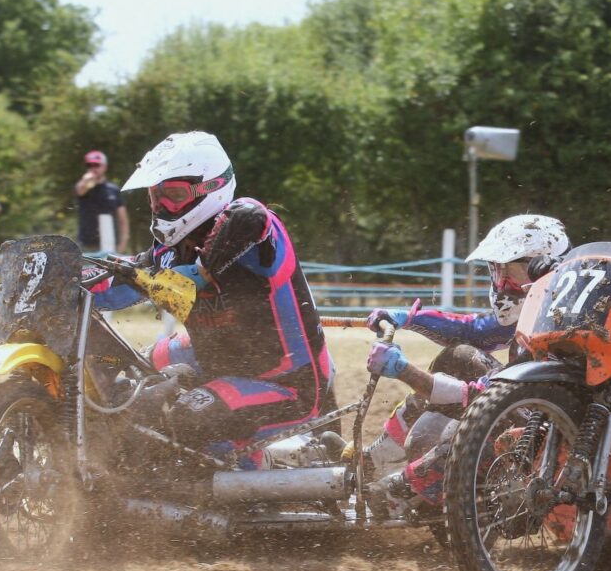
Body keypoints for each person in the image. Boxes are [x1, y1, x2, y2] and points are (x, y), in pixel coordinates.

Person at [87, 132, 335, 454]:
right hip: (218, 364)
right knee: (134, 370)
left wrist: (200, 269)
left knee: (185, 418)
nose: (162, 206)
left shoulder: (252, 227)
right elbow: (118, 282)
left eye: (174, 195)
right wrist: (66, 283)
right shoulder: (167, 251)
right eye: (155, 196)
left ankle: (253, 470)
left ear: (213, 187)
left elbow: (250, 217)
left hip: (287, 383)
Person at [361, 214, 571, 516]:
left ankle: (401, 492)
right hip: (522, 411)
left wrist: (404, 371)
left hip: (543, 439)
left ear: (546, 271)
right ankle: (374, 458)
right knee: (458, 356)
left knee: (475, 427)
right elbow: (471, 331)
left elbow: (478, 395)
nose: (503, 284)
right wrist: (407, 318)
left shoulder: (558, 327)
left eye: (513, 272)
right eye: (498, 271)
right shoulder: (540, 310)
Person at [74, 150, 130, 254]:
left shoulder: (113, 190)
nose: (93, 168)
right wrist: (87, 180)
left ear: (105, 167)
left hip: (109, 245)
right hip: (86, 247)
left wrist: (122, 245)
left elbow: (123, 220)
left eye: (96, 165)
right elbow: (80, 190)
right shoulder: (84, 187)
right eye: (89, 165)